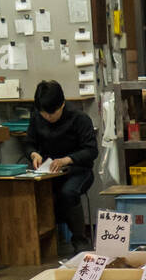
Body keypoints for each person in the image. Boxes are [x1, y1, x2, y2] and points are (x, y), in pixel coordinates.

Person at [21, 80, 99, 248]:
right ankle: (41, 243)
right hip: (48, 171)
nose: (48, 117)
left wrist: (66, 160)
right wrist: (33, 154)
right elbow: (28, 143)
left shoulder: (79, 118)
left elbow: (91, 150)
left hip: (78, 170)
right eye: (44, 113)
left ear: (62, 104)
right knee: (32, 192)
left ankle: (80, 241)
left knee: (68, 193)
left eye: (52, 113)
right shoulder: (37, 117)